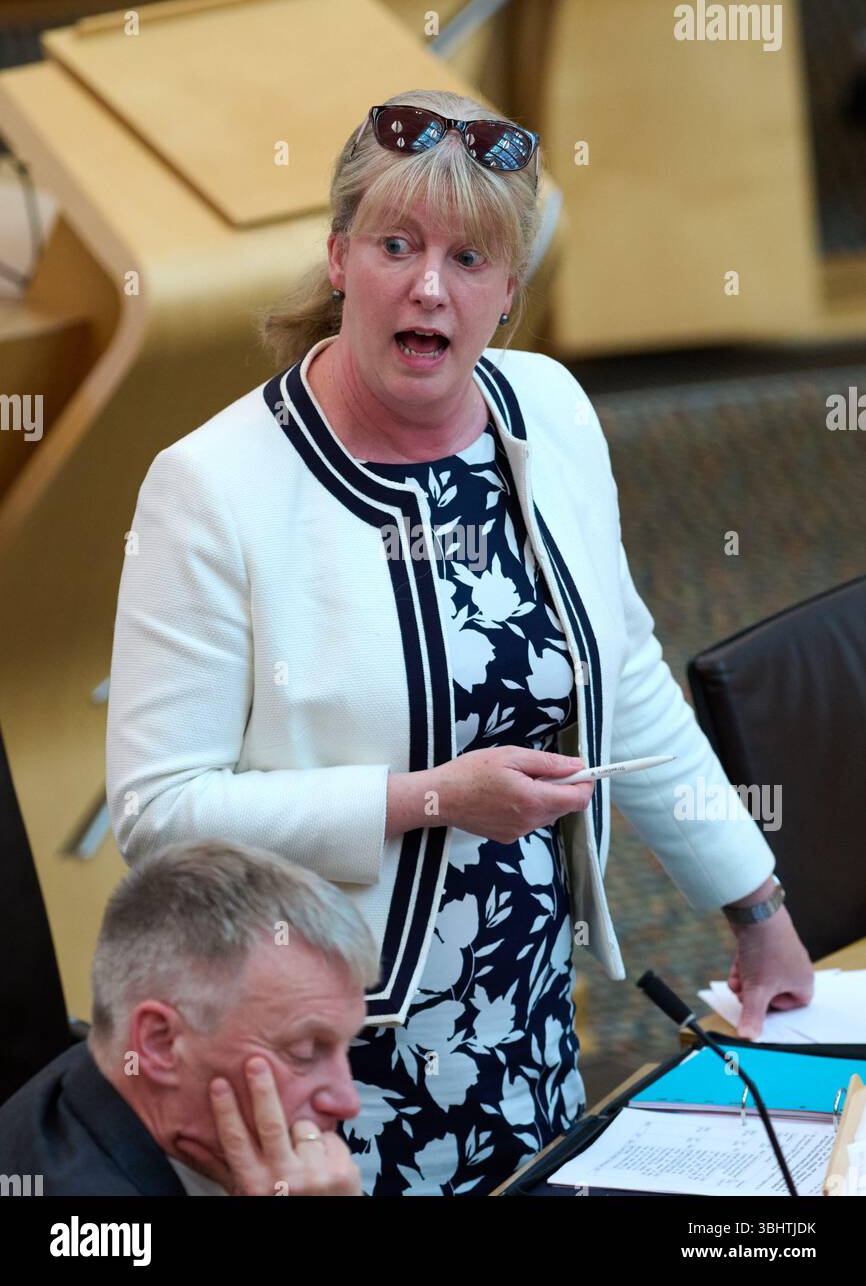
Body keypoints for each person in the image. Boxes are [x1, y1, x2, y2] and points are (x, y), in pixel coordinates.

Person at [105, 88, 814, 1196]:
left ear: (509, 292)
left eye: (469, 258)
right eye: (396, 244)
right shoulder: (215, 487)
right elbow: (159, 814)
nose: (428, 285)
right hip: (323, 1055)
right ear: (339, 255)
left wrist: (754, 905)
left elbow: (618, 671)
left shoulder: (550, 412)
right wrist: (427, 796)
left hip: (521, 1008)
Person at [0, 841, 376, 1195]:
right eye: (305, 1052)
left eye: (346, 1047)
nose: (347, 1102)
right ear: (159, 1043)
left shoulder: (102, 1075)